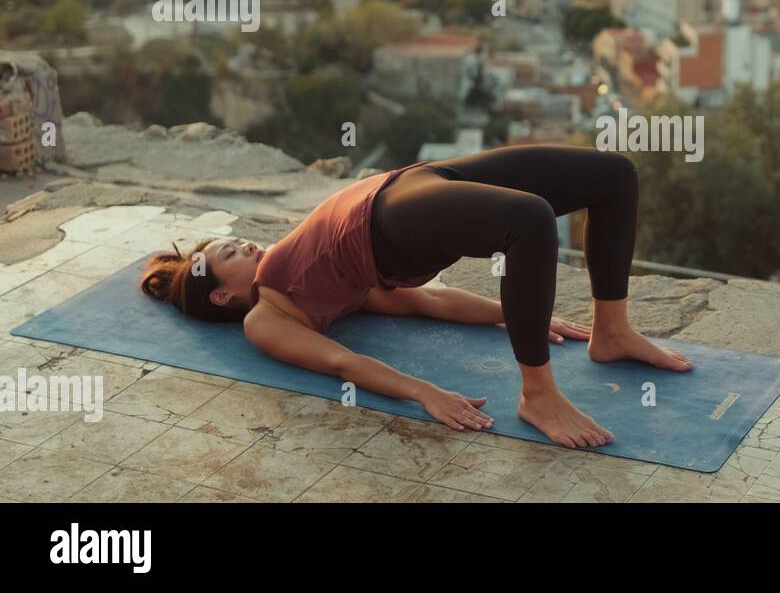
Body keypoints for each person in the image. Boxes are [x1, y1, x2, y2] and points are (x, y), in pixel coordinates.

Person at [141, 145, 693, 449]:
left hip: (409, 181)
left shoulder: (330, 294)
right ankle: (537, 394)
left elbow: (427, 301)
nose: (241, 243)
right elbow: (342, 362)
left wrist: (517, 314)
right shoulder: (265, 316)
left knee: (614, 174)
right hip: (387, 224)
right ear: (222, 297)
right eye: (226, 254)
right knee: (528, 219)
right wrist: (424, 392)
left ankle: (612, 331)